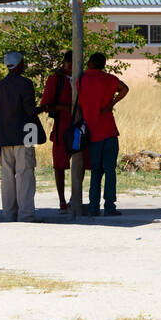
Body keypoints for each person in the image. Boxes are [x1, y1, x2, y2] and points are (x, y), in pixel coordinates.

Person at [0, 51, 46, 222]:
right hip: (25, 135)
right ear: (20, 63)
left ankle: (9, 214)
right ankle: (26, 215)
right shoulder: (25, 84)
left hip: (4, 137)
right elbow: (29, 111)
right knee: (25, 175)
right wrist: (45, 108)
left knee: (7, 177)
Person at [77, 52, 128, 217]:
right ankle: (110, 206)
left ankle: (93, 207)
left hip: (92, 132)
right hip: (109, 129)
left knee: (96, 171)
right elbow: (125, 89)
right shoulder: (110, 79)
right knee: (110, 170)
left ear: (91, 63)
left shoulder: (82, 79)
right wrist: (111, 104)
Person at [38, 50, 88, 213]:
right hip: (61, 127)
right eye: (70, 64)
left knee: (80, 163)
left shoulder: (83, 78)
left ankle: (75, 197)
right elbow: (46, 105)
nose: (73, 67)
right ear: (64, 63)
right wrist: (66, 108)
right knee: (59, 165)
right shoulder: (55, 79)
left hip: (80, 127)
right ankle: (62, 200)